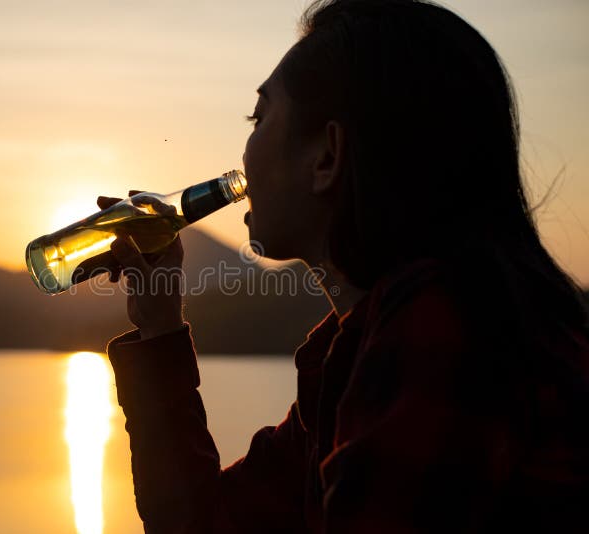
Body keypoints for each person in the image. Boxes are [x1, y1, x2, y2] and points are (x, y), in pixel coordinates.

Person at [96, 0, 589, 532]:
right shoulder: (357, 353)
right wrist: (160, 328)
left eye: (258, 117)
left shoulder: (450, 332)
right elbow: (202, 523)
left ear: (328, 157)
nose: (243, 159)